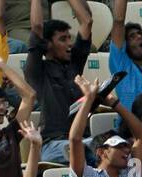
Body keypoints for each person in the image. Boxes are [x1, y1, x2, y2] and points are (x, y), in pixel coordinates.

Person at [25, 0, 92, 163]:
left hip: (81, 140)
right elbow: (37, 28)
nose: (70, 44)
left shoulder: (74, 64)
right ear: (47, 44)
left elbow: (87, 21)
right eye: (63, 39)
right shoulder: (37, 71)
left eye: (70, 38)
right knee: (89, 149)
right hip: (53, 146)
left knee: (112, 145)